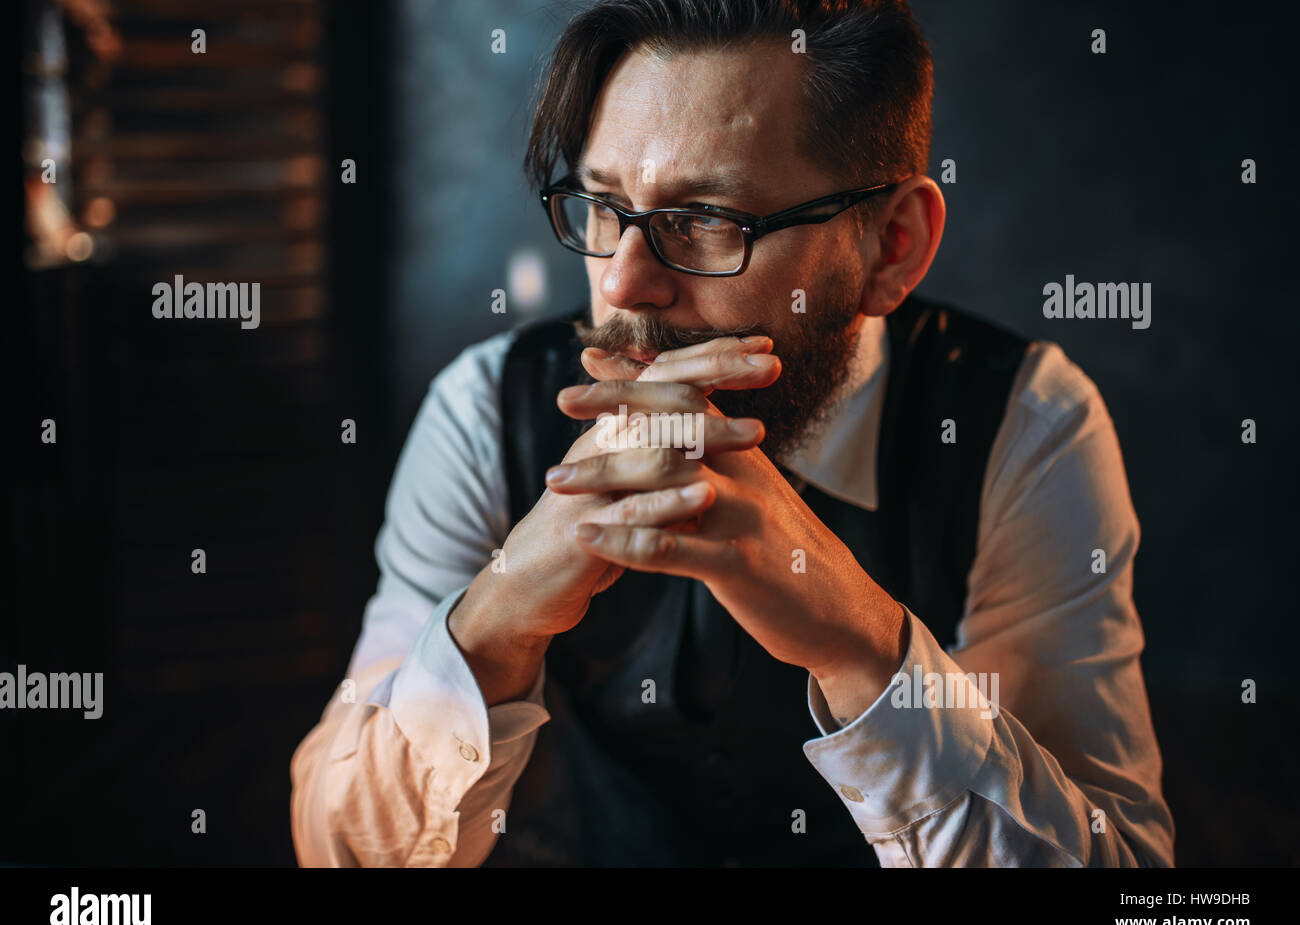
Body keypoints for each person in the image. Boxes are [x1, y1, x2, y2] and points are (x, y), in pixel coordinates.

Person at [290, 0, 1175, 867]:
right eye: (603, 207)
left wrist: (863, 646)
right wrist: (498, 616)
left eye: (707, 219)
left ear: (892, 245)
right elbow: (339, 849)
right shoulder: (484, 407)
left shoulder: (1023, 425)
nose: (623, 287)